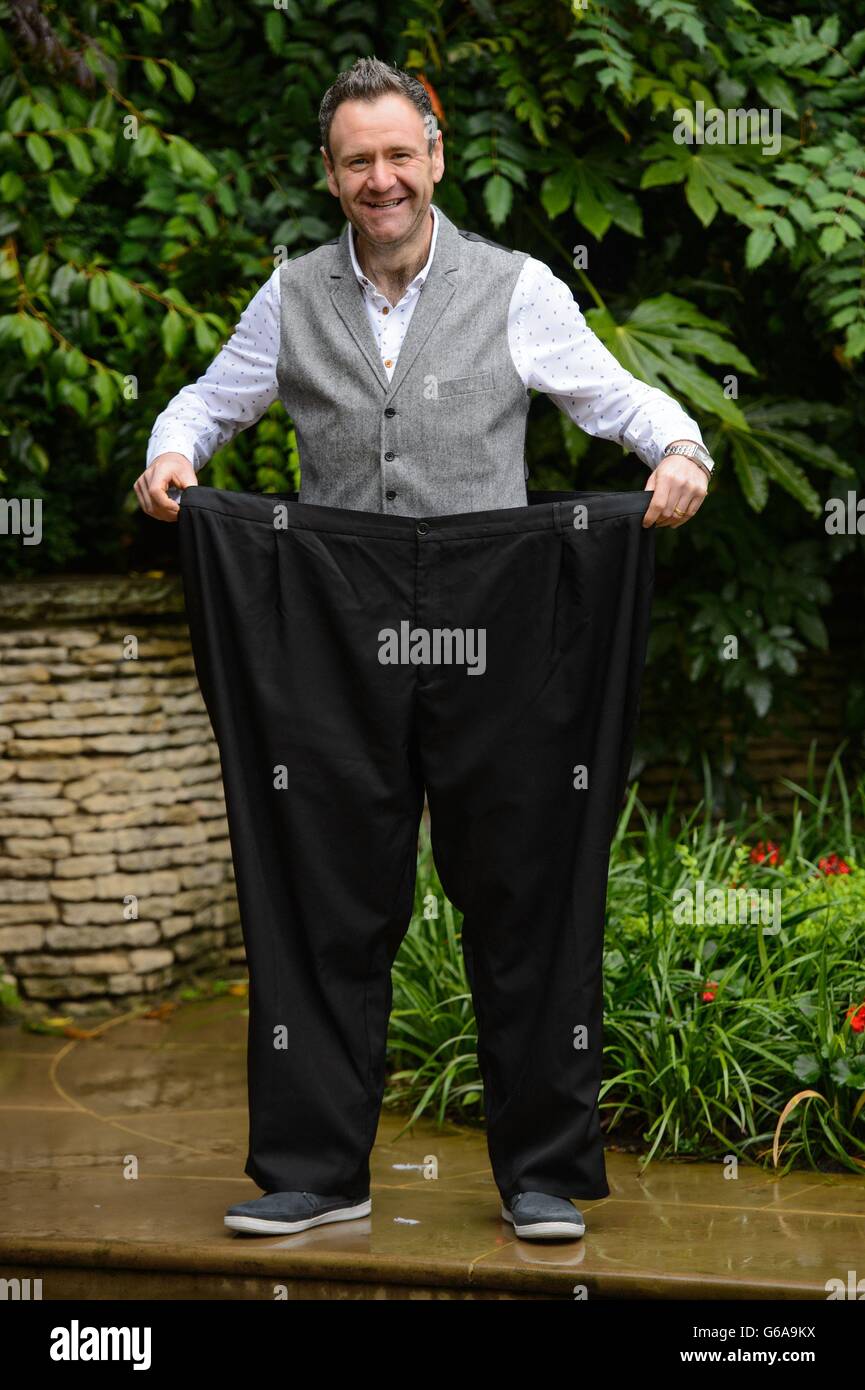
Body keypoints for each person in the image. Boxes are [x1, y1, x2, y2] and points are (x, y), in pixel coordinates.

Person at [134, 56, 713, 1243]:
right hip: (334, 629)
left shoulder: (515, 289)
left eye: (401, 154)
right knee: (322, 886)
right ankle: (315, 1167)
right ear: (333, 172)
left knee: (522, 885)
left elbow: (614, 398)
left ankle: (543, 1172)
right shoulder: (290, 295)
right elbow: (208, 398)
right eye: (359, 160)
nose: (381, 178)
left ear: (436, 156)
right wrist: (172, 452)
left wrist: (678, 449)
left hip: (491, 617)